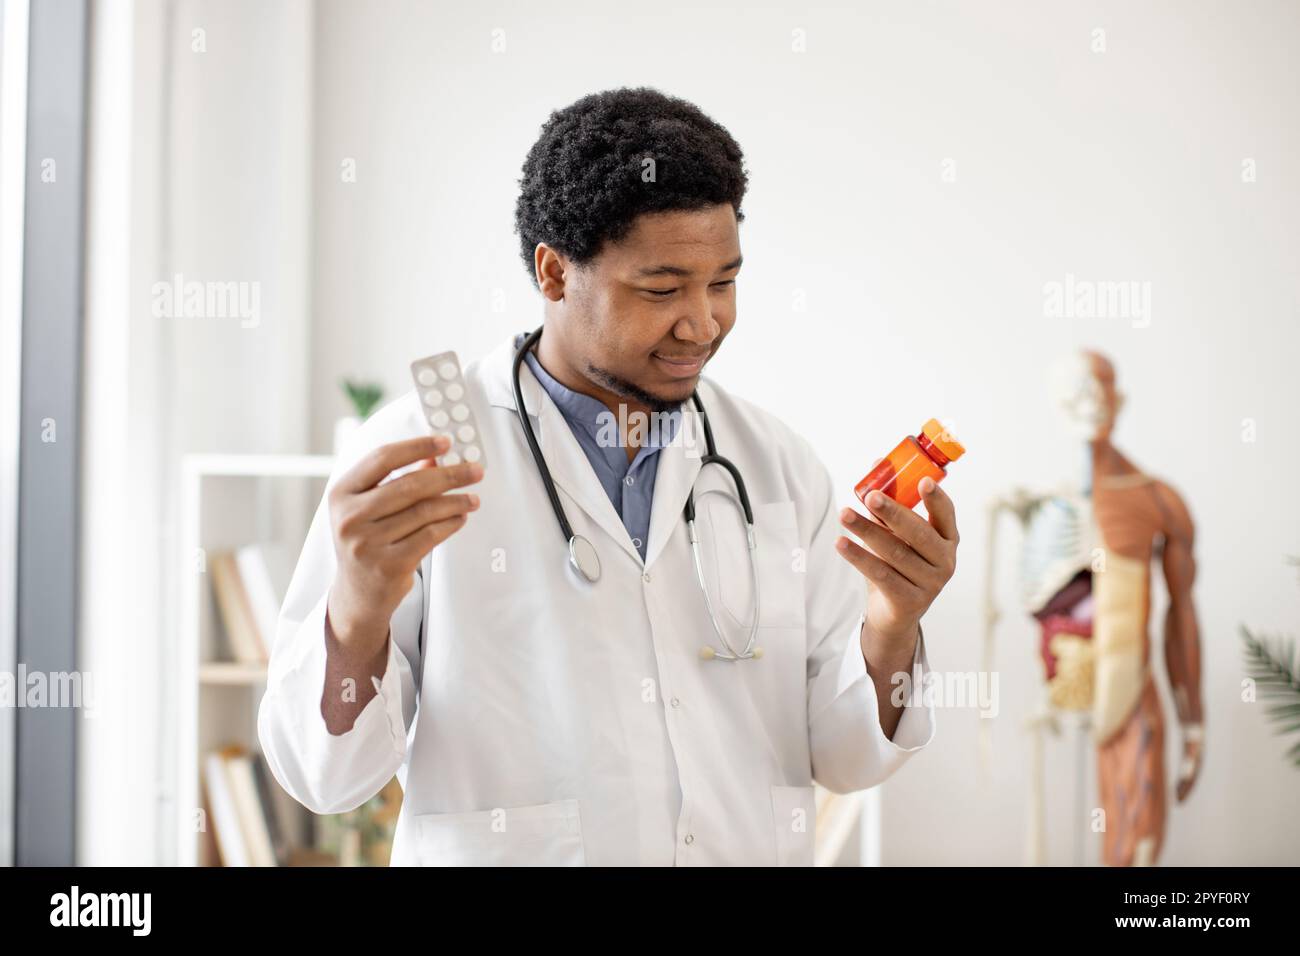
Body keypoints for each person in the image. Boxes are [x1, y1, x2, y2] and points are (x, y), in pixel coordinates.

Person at [258, 87, 959, 865]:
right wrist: (356, 613)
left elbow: (847, 755)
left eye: (723, 283)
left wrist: (893, 626)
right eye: (661, 290)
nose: (702, 324)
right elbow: (326, 779)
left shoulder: (774, 464)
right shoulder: (422, 452)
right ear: (554, 274)